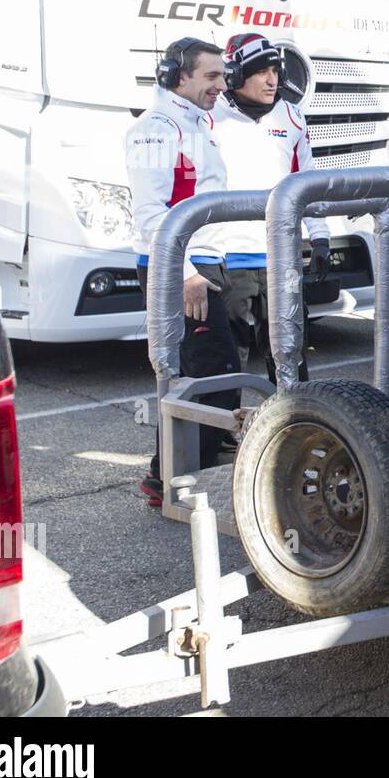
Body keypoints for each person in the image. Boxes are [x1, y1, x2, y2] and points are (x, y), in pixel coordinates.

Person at [125, 37, 241, 506]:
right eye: (211, 76)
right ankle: (172, 480)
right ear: (178, 75)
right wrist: (188, 273)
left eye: (223, 75)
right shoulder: (156, 128)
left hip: (201, 264)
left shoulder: (197, 122)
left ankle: (177, 477)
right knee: (210, 375)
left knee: (209, 375)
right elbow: (151, 214)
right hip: (176, 267)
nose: (222, 84)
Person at [212, 33, 330, 383]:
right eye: (261, 71)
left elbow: (306, 182)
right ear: (234, 75)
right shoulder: (209, 117)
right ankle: (221, 435)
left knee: (290, 348)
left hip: (282, 257)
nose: (272, 80)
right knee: (229, 356)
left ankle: (296, 425)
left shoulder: (292, 116)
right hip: (229, 258)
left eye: (275, 70)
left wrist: (320, 237)